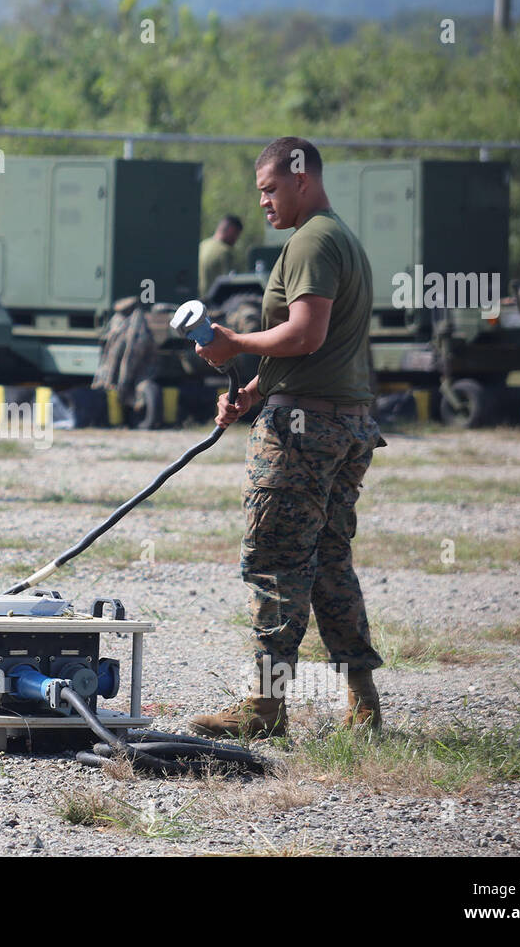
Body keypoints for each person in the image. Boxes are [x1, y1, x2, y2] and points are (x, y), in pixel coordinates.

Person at [188, 137, 385, 739]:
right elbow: (311, 353)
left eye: (271, 189)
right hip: (340, 421)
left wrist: (234, 344)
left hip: (304, 434)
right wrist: (253, 392)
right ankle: (363, 702)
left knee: (275, 561)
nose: (265, 203)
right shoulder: (335, 236)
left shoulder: (312, 241)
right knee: (328, 561)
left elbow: (304, 335)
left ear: (302, 178)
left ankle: (265, 709)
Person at [199, 214, 243, 301]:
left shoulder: (202, 245)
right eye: (237, 234)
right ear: (231, 230)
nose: (236, 239)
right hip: (213, 305)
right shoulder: (225, 252)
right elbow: (231, 283)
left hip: (196, 301)